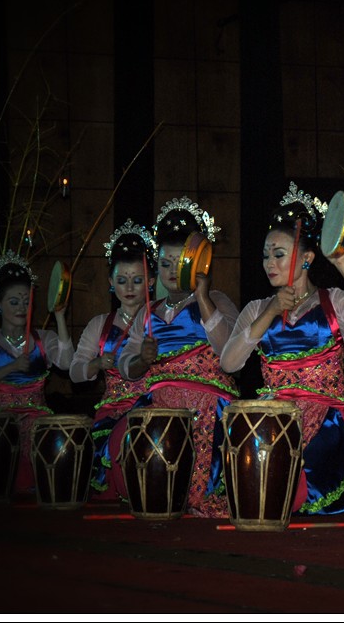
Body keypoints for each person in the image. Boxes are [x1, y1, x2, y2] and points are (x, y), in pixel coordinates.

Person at [220, 182, 344, 515]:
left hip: (328, 418)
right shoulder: (256, 309)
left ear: (307, 258)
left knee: (302, 473)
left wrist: (343, 266)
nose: (269, 263)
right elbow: (230, 363)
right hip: (274, 414)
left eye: (279, 254)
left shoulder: (333, 300)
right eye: (266, 255)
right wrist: (269, 313)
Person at [117, 197, 240, 517]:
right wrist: (141, 360)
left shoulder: (217, 301)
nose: (172, 271)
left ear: (197, 262)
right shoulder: (148, 311)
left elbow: (231, 349)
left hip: (208, 403)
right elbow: (125, 364)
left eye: (180, 261)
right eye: (165, 263)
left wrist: (203, 298)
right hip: (160, 402)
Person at [0, 250, 75, 494]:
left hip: (37, 421)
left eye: (26, 301)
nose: (22, 308)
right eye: (14, 302)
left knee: (42, 435)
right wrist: (10, 367)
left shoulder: (44, 338)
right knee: (1, 434)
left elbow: (67, 363)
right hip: (0, 421)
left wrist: (60, 317)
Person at [69, 219, 156, 500]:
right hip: (113, 409)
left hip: (151, 407)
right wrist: (97, 364)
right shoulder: (99, 325)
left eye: (137, 280)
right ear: (110, 283)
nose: (129, 287)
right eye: (122, 280)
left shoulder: (160, 320)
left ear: (151, 281)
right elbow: (74, 371)